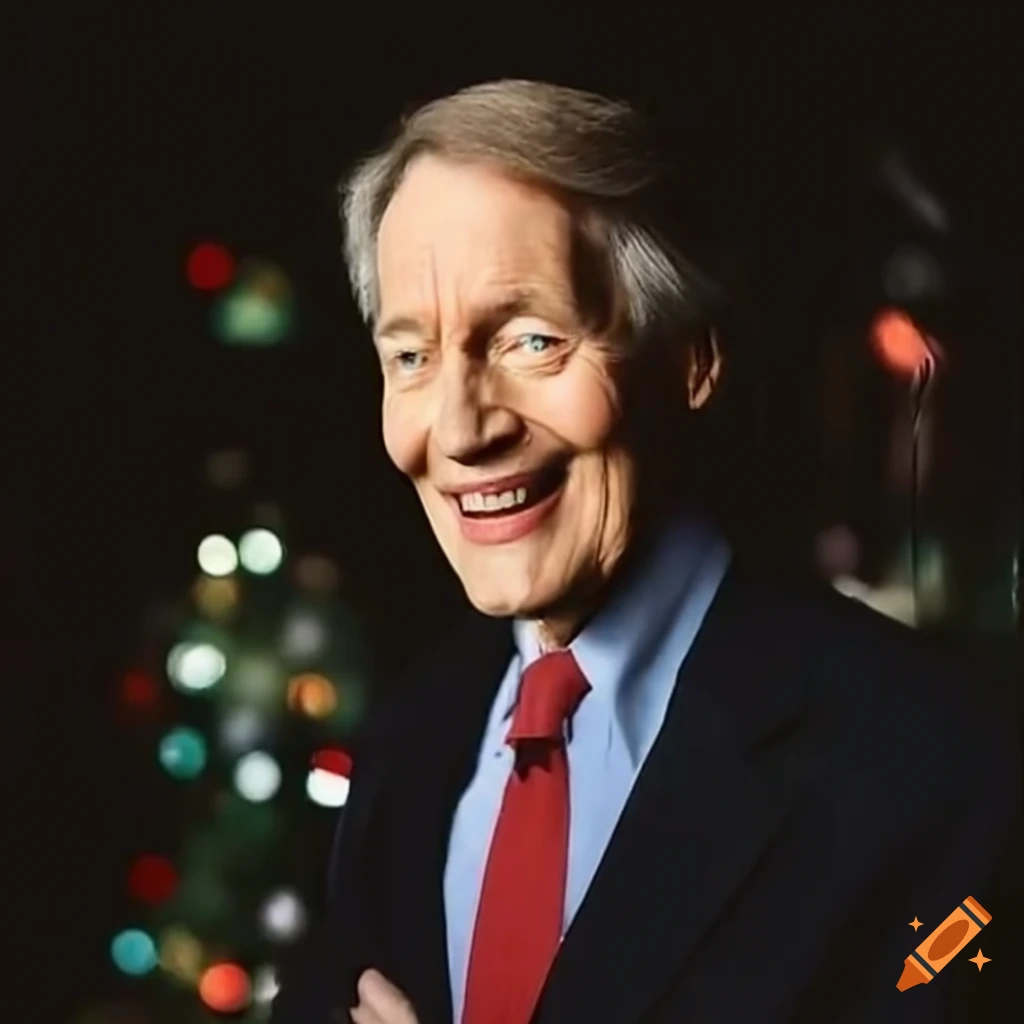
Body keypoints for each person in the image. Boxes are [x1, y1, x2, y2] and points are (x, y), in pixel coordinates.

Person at [270, 80, 1020, 1024]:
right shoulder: (406, 741)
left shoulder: (927, 760)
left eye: (532, 341)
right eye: (412, 357)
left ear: (692, 360)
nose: (460, 431)